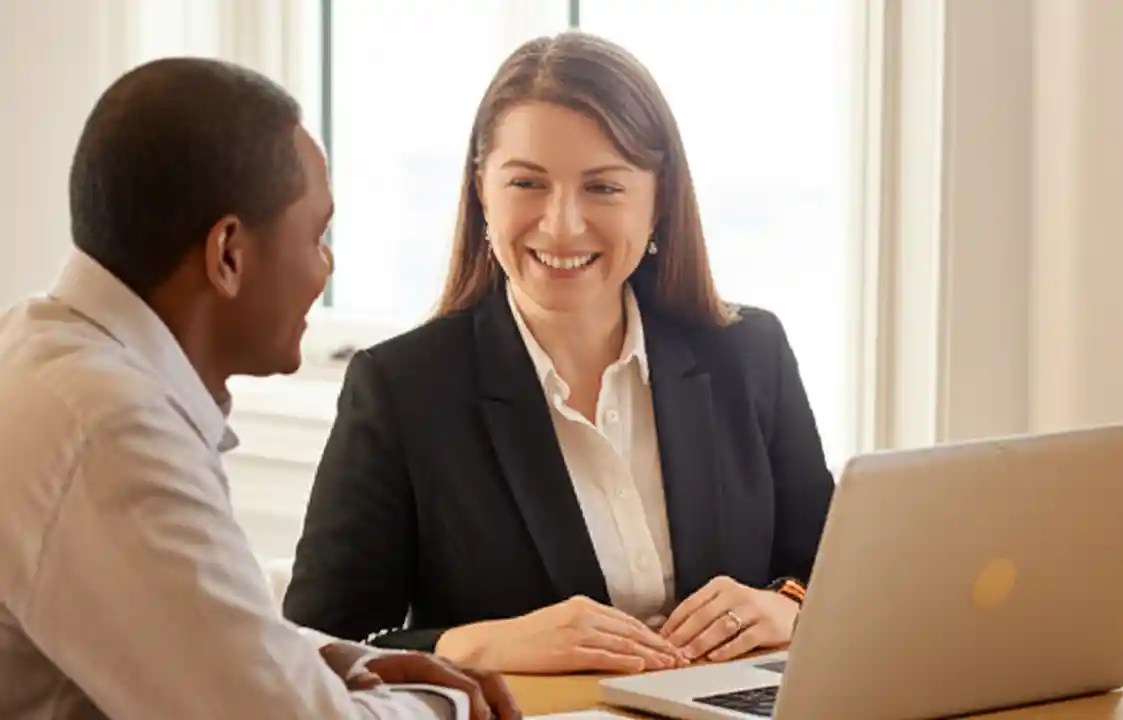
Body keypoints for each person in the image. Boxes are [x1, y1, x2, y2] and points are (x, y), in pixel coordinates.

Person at [284, 32, 834, 675]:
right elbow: (313, 648)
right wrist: (477, 645)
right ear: (482, 192)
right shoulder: (402, 388)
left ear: (659, 200)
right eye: (527, 183)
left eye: (603, 187)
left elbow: (832, 571)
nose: (562, 225)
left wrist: (790, 606)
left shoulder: (749, 352)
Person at [0, 57, 519, 719]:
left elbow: (178, 621)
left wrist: (325, 658)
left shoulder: (47, 354)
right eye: (317, 235)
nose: (325, 269)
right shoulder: (108, 427)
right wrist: (442, 703)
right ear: (228, 255)